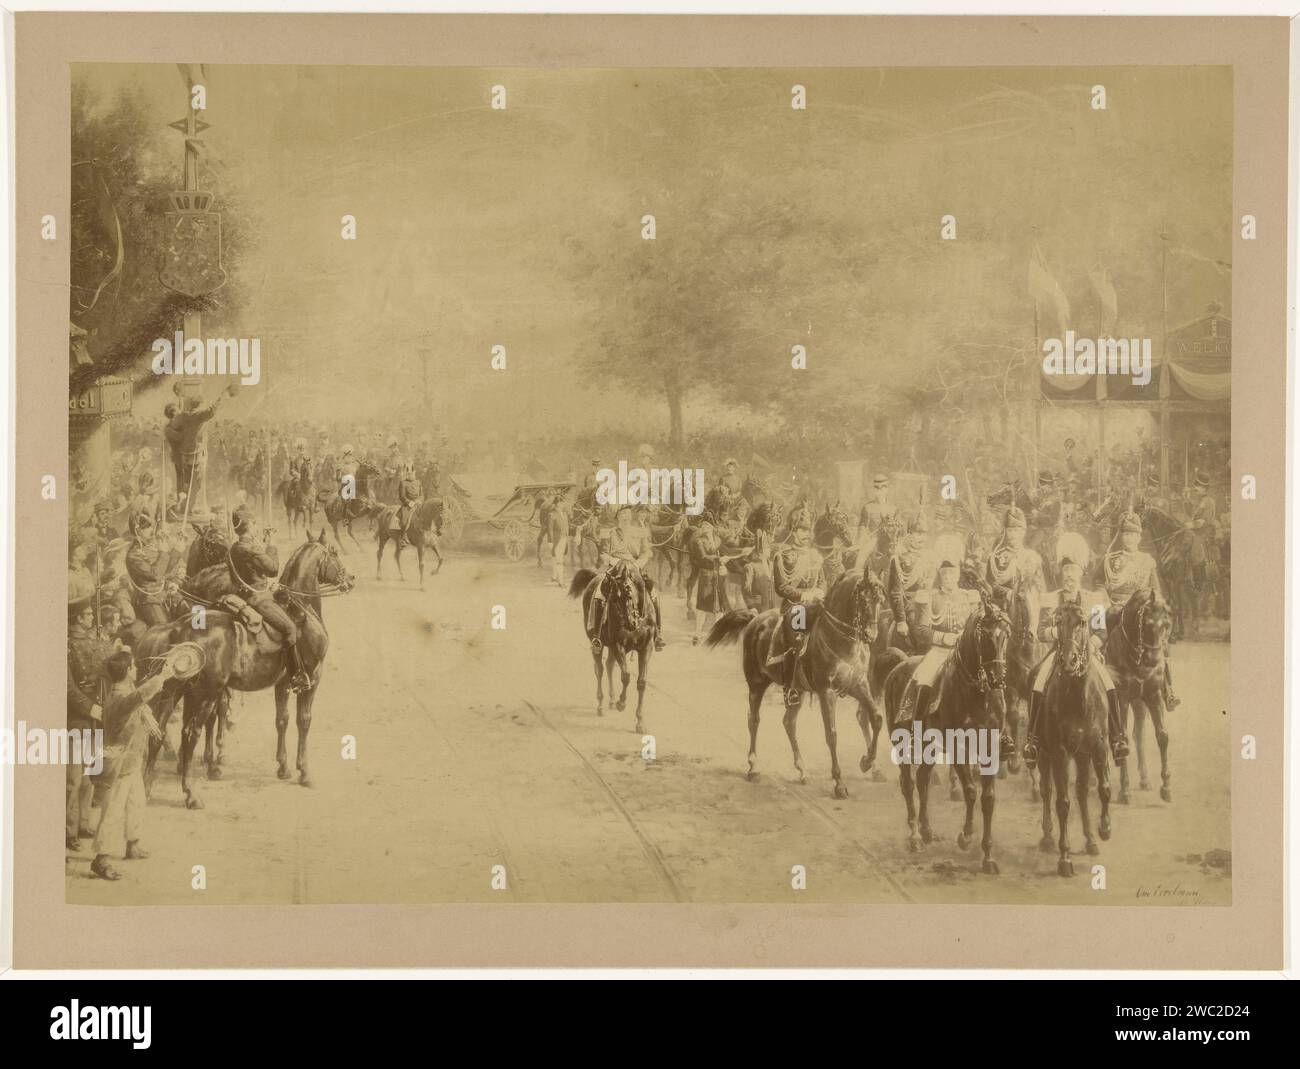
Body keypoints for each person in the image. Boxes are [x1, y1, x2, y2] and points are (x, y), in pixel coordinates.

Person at [1022, 536, 1129, 767]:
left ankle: (1118, 738)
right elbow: (1041, 631)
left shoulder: (1095, 599)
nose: (1069, 575)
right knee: (1038, 680)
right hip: (1057, 653)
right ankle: (1032, 739)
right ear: (1061, 573)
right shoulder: (1049, 599)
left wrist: (1090, 645)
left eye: (1074, 570)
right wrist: (1059, 636)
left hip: (1087, 652)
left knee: (1109, 683)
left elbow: (1101, 631)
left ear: (1082, 573)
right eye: (1066, 570)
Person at [89, 649, 167, 881]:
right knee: (112, 812)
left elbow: (138, 697)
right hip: (119, 764)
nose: (135, 670)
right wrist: (163, 676)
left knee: (136, 803)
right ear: (126, 672)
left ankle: (132, 844)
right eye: (132, 667)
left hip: (130, 761)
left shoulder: (124, 692)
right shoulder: (120, 699)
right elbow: (139, 697)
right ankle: (100, 860)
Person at [228, 505, 311, 692]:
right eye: (255, 524)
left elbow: (253, 571)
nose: (257, 527)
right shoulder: (250, 549)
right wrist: (271, 545)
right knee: (290, 628)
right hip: (258, 598)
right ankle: (295, 676)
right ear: (249, 525)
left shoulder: (235, 547)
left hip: (242, 594)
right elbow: (272, 569)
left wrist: (262, 546)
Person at [1101, 510, 1178, 708]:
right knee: (1101, 628)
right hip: (1114, 606)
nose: (1129, 539)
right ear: (1121, 536)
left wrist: (1155, 607)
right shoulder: (1111, 559)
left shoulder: (1147, 561)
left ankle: (1168, 688)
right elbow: (1097, 585)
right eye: (1126, 534)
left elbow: (1156, 591)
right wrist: (1105, 601)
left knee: (1159, 639)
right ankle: (1101, 675)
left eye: (1133, 535)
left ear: (1139, 536)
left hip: (1141, 609)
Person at [895, 558, 979, 725]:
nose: (948, 577)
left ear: (958, 574)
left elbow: (977, 624)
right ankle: (916, 730)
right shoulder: (929, 597)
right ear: (939, 576)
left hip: (965, 651)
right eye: (944, 573)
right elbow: (920, 630)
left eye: (952, 573)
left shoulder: (969, 597)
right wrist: (943, 638)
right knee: (925, 677)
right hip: (940, 651)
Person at [765, 515, 825, 705]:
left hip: (816, 603)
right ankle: (790, 687)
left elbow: (822, 580)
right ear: (794, 531)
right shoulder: (783, 555)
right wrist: (802, 596)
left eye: (808, 530)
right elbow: (781, 587)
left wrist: (820, 590)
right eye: (802, 530)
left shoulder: (815, 556)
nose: (806, 534)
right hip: (795, 605)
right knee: (797, 640)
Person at [588, 504, 664, 651]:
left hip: (636, 568)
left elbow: (646, 552)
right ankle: (596, 636)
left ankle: (658, 633)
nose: (626, 517)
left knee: (653, 592)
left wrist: (637, 564)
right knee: (600, 593)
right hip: (615, 569)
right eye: (622, 515)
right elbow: (603, 554)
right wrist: (619, 563)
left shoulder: (640, 532)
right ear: (617, 518)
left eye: (628, 514)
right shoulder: (609, 533)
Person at [67, 596, 109, 851]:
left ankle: (83, 823)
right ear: (79, 619)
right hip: (78, 718)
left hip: (96, 717)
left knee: (90, 775)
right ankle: (69, 830)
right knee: (73, 779)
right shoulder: (68, 646)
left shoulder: (94, 641)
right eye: (89, 616)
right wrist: (89, 707)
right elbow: (68, 688)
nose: (92, 618)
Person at [124, 511, 183, 626]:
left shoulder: (151, 549)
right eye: (147, 527)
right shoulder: (133, 555)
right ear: (138, 530)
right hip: (148, 600)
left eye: (151, 526)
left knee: (196, 612)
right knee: (164, 628)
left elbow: (165, 570)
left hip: (164, 594)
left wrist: (177, 550)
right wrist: (163, 552)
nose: (152, 530)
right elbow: (155, 575)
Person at [887, 515, 933, 653]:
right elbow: (895, 591)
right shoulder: (899, 558)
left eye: (925, 533)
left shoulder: (929, 556)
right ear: (910, 534)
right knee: (921, 631)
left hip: (929, 602)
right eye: (918, 533)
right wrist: (901, 620)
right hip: (909, 605)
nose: (922, 538)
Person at [394, 461, 422, 549]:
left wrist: (419, 500)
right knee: (404, 520)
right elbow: (402, 496)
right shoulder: (403, 483)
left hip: (418, 504)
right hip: (408, 505)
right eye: (408, 474)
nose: (410, 475)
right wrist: (409, 503)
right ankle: (403, 538)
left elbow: (422, 495)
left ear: (414, 473)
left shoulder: (418, 482)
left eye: (412, 473)